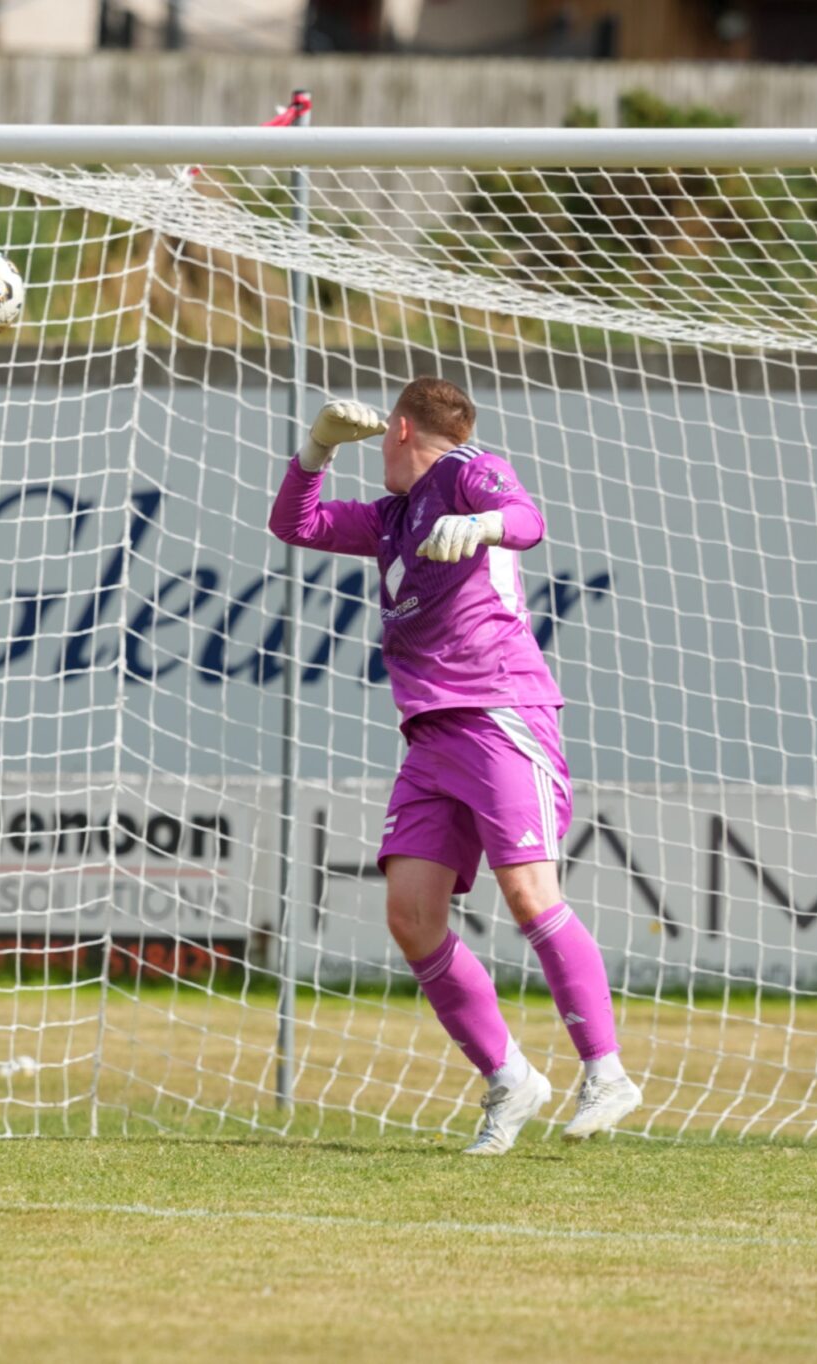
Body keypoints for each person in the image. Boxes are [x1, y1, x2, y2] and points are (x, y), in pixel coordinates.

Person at [269, 376, 642, 1155]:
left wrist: (479, 527)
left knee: (529, 892)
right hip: (429, 734)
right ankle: (510, 1078)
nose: (374, 452)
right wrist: (317, 450)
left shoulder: (468, 467)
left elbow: (528, 522)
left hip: (501, 713)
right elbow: (293, 524)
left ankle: (606, 1070)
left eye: (375, 440)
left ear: (401, 429)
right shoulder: (391, 518)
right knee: (410, 916)